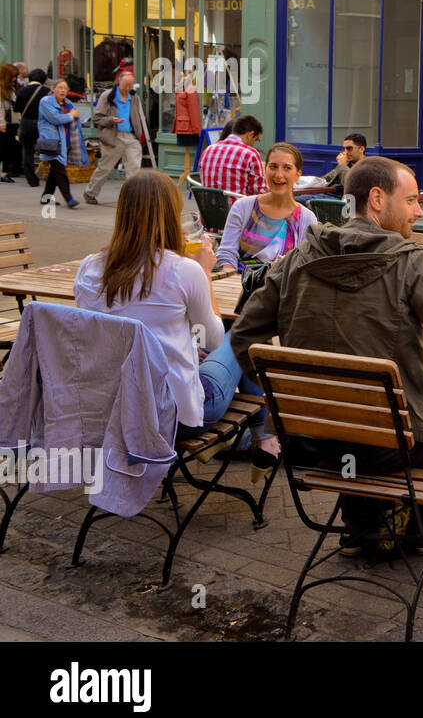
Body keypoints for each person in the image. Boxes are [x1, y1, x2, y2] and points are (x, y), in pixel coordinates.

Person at [229, 156, 423, 551]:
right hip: (389, 448)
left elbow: (243, 333)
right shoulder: (411, 263)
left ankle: (362, 527)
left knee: (357, 411)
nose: (418, 210)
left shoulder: (297, 258)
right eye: (412, 199)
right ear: (377, 199)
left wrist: (276, 398)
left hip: (311, 441)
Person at [74, 171, 279, 481]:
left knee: (229, 341)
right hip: (176, 416)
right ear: (171, 216)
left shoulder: (90, 267)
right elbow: (212, 339)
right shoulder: (184, 271)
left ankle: (262, 437)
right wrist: (205, 274)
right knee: (241, 335)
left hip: (109, 407)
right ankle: (267, 437)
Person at [215, 142, 319, 272]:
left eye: (287, 168)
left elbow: (304, 266)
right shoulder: (242, 207)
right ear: (265, 170)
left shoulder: (307, 219)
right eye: (273, 167)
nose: (279, 175)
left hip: (282, 289)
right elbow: (226, 254)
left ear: (298, 175)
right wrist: (231, 283)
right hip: (238, 284)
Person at [85, 61, 147, 205]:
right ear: (119, 82)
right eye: (125, 85)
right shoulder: (108, 96)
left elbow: (138, 116)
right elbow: (97, 118)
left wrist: (139, 133)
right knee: (105, 167)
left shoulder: (134, 97)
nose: (128, 88)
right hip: (113, 137)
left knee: (134, 169)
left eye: (130, 85)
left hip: (131, 136)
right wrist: (111, 120)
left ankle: (132, 197)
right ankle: (90, 192)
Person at [36, 80, 82, 209]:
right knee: (59, 170)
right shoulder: (45, 102)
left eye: (65, 88)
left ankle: (46, 197)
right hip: (52, 141)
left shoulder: (68, 103)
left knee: (54, 171)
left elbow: (76, 115)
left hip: (65, 140)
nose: (63, 91)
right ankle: (69, 198)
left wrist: (73, 116)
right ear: (53, 89)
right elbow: (55, 118)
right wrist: (71, 115)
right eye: (60, 87)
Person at [199, 115, 267, 196]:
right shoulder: (250, 154)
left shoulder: (208, 150)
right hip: (239, 207)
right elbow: (260, 193)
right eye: (255, 140)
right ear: (250, 135)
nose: (253, 144)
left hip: (209, 207)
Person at [13, 68, 50, 187]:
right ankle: (50, 174)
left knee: (27, 150)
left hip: (26, 123)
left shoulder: (22, 91)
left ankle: (31, 179)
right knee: (49, 149)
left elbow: (17, 108)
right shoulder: (46, 91)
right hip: (42, 123)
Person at [0, 63, 19, 183]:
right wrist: (1, 123)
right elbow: (0, 108)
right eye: (13, 76)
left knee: (9, 148)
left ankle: (5, 173)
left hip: (13, 122)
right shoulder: (1, 89)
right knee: (2, 148)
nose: (15, 78)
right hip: (4, 123)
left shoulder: (11, 88)